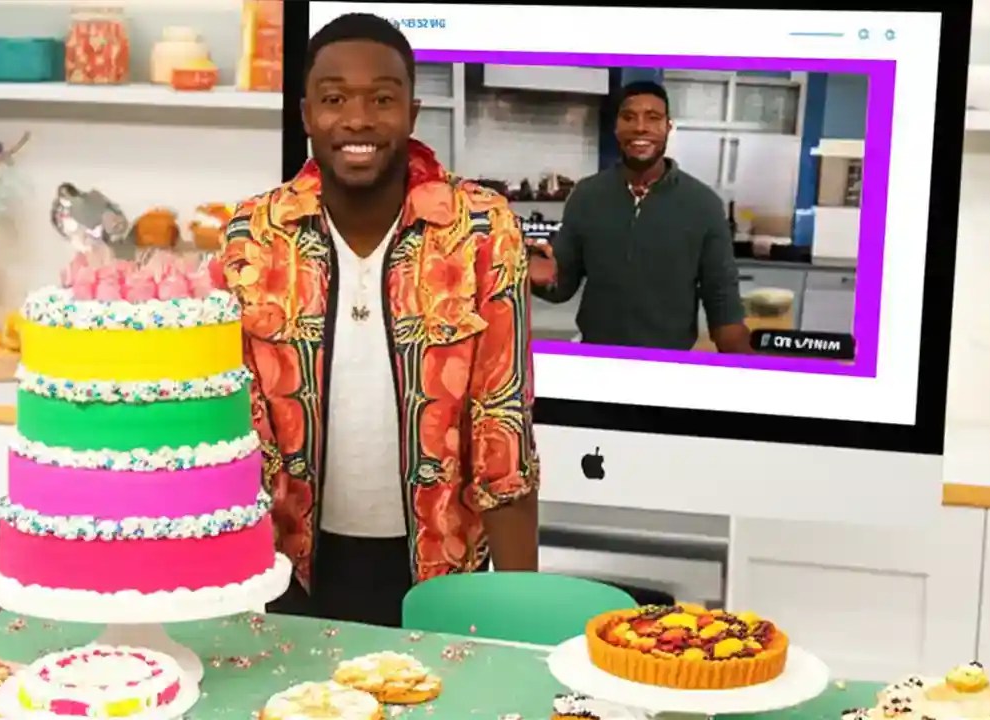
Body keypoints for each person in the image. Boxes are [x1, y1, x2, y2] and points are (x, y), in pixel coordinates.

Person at [218, 12, 540, 628]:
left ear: (412, 114)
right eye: (335, 99)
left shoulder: (480, 228)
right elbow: (234, 429)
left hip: (443, 579)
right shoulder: (251, 235)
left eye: (382, 99)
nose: (358, 120)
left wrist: (518, 619)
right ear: (307, 114)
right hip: (284, 577)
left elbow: (503, 427)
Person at [529, 81, 752, 353]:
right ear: (616, 128)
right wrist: (535, 275)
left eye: (653, 118)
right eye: (629, 117)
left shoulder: (703, 205)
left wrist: (746, 367)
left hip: (667, 365)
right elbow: (561, 285)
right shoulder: (587, 196)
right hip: (596, 360)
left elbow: (723, 302)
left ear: (668, 127)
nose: (640, 127)